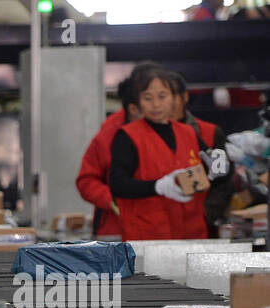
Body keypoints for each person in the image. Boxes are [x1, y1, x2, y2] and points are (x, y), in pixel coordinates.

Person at [108, 65, 229, 241]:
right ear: (139, 102)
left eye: (162, 96)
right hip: (147, 238)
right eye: (147, 98)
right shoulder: (127, 136)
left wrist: (219, 165)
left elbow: (213, 167)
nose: (156, 104)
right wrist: (158, 186)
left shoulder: (187, 132)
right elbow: (118, 184)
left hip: (191, 235)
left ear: (175, 98)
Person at [76, 64, 152, 238]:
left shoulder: (176, 130)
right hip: (116, 228)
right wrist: (112, 199)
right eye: (149, 98)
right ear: (133, 106)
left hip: (162, 230)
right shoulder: (108, 135)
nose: (157, 105)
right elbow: (86, 180)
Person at [166, 70, 234, 233]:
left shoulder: (210, 132)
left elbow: (224, 182)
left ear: (185, 97)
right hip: (158, 224)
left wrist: (205, 215)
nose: (167, 103)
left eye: (173, 96)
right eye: (162, 97)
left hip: (198, 227)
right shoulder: (144, 136)